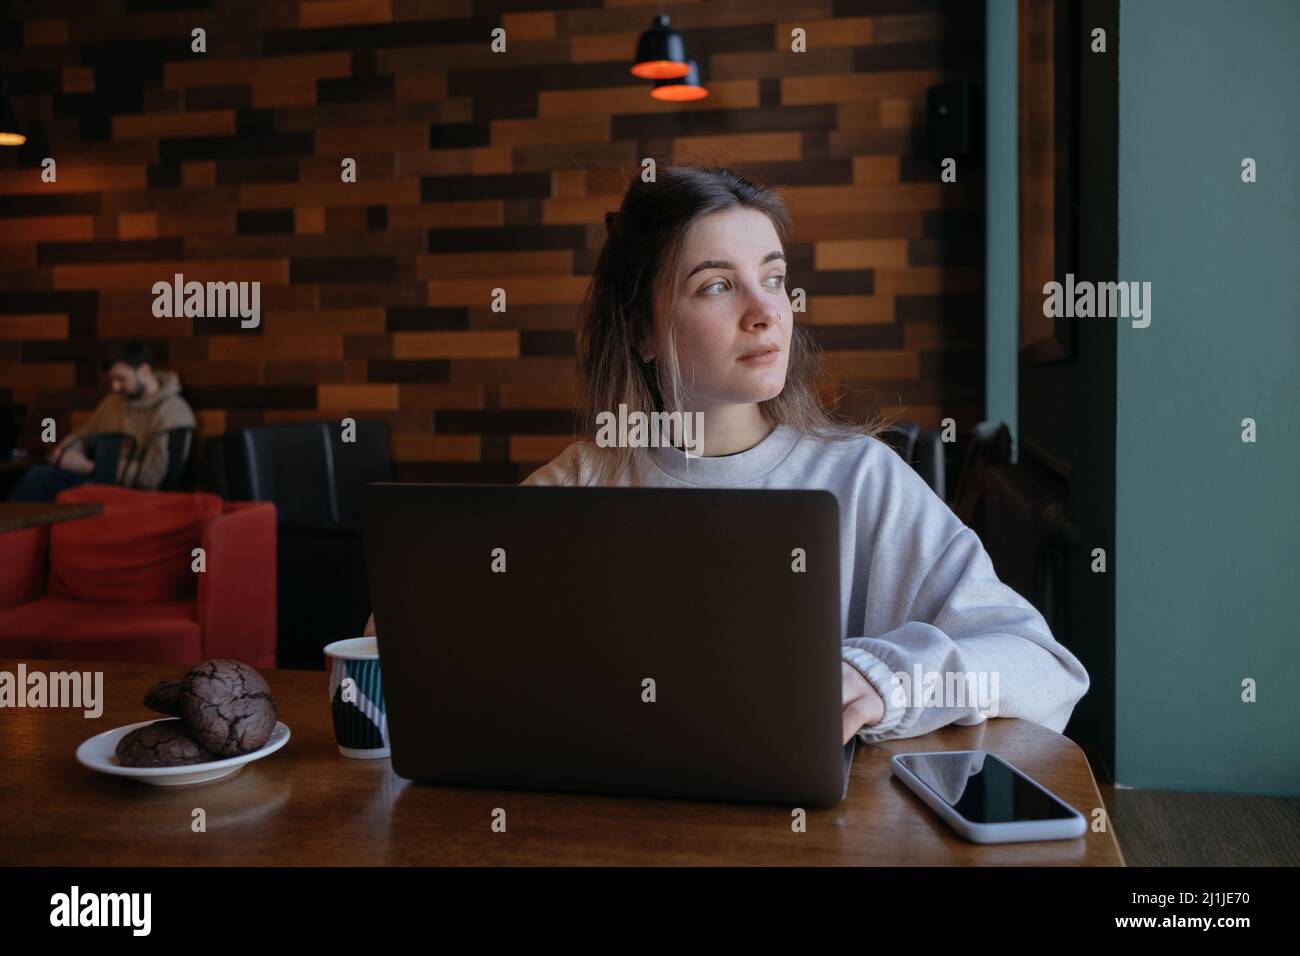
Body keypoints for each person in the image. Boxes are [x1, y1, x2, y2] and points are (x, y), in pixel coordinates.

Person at [365, 164, 1090, 745]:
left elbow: (1047, 670)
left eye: (773, 277)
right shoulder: (585, 477)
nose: (766, 307)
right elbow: (400, 641)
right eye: (717, 284)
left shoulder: (861, 480)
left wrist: (886, 679)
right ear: (643, 333)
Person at [8, 340, 196, 501]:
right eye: (112, 380)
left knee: (39, 479)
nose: (115, 387)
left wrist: (89, 467)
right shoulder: (113, 403)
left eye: (121, 379)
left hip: (135, 495)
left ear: (145, 371)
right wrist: (65, 453)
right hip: (99, 483)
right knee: (38, 475)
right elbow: (83, 435)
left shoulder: (173, 412)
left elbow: (153, 476)